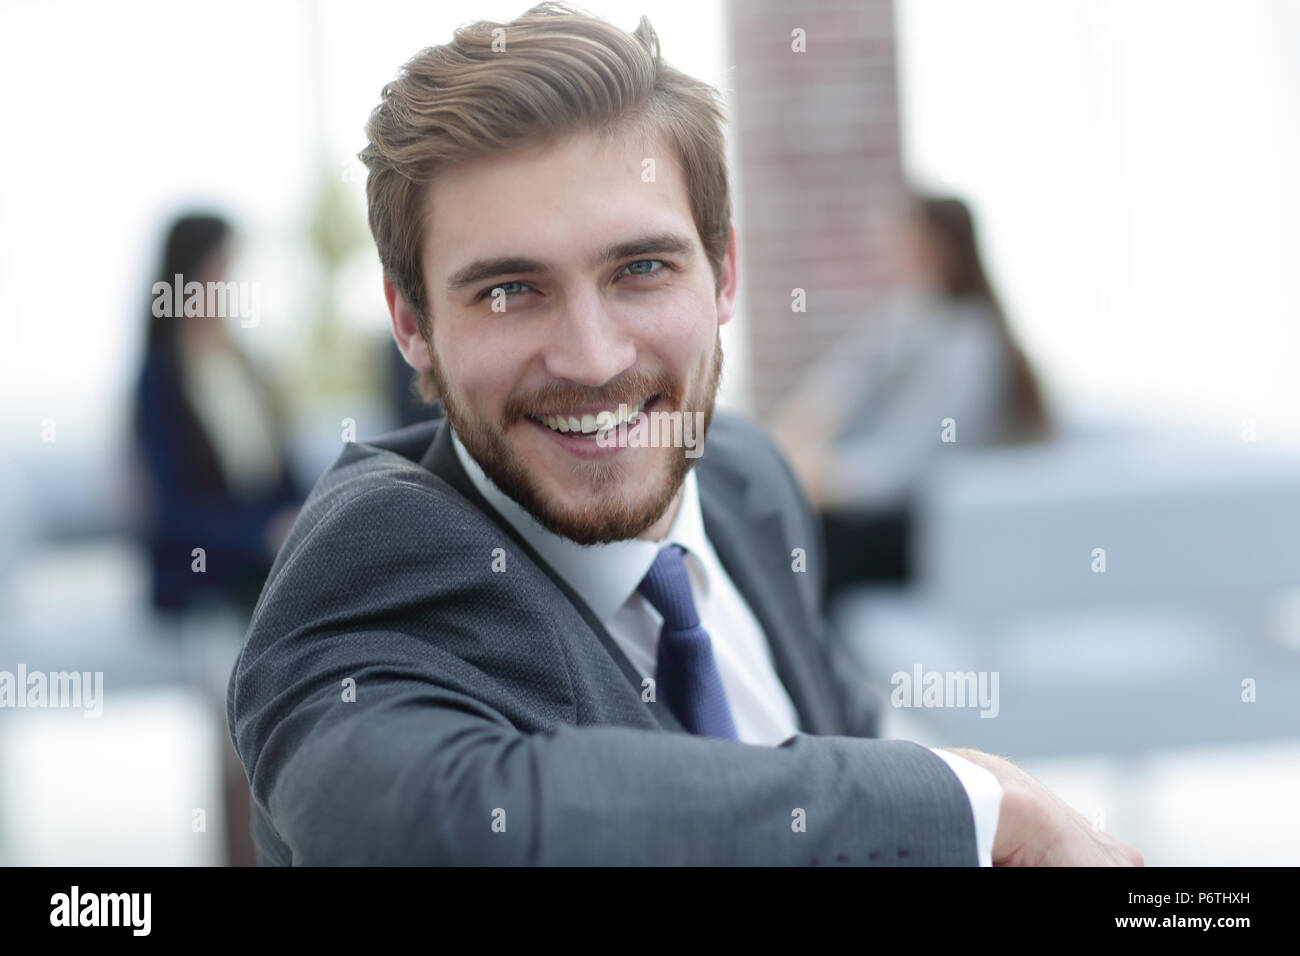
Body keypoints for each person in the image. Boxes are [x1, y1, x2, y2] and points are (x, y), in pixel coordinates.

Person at [226, 2, 1140, 867]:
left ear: (726, 271)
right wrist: (965, 799)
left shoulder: (744, 480)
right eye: (510, 290)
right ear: (412, 321)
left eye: (643, 267)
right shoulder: (373, 561)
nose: (591, 358)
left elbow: (834, 748)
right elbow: (448, 827)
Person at [773, 192, 1051, 603]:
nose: (890, 247)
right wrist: (793, 435)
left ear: (936, 247)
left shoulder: (969, 341)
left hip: (925, 522)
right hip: (882, 504)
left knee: (803, 547)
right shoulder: (908, 316)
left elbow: (916, 457)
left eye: (904, 236)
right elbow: (839, 384)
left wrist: (827, 479)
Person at [132, 213, 301, 616]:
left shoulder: (247, 368)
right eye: (221, 267)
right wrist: (262, 535)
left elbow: (284, 480)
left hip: (266, 567)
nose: (231, 284)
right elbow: (172, 516)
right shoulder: (159, 381)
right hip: (206, 580)